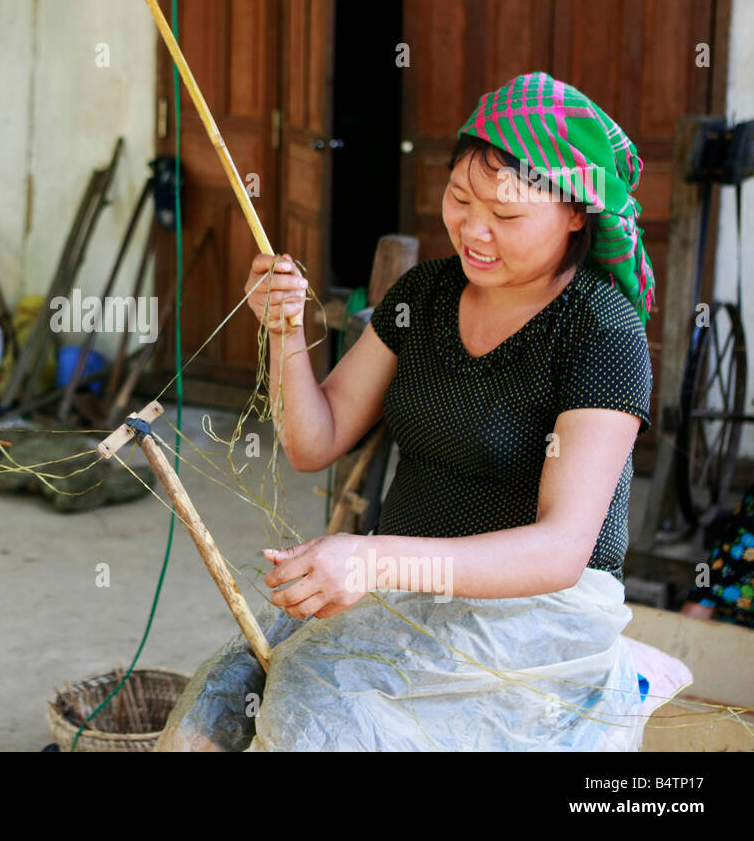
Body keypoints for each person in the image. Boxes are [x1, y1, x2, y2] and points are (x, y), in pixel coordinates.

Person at [158, 71, 658, 751]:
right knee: (208, 720)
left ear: (577, 213)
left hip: (533, 624)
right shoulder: (422, 295)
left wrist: (373, 560)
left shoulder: (602, 334)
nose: (474, 229)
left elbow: (561, 549)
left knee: (312, 726)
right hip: (395, 603)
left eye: (506, 215)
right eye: (459, 197)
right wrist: (281, 331)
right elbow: (315, 440)